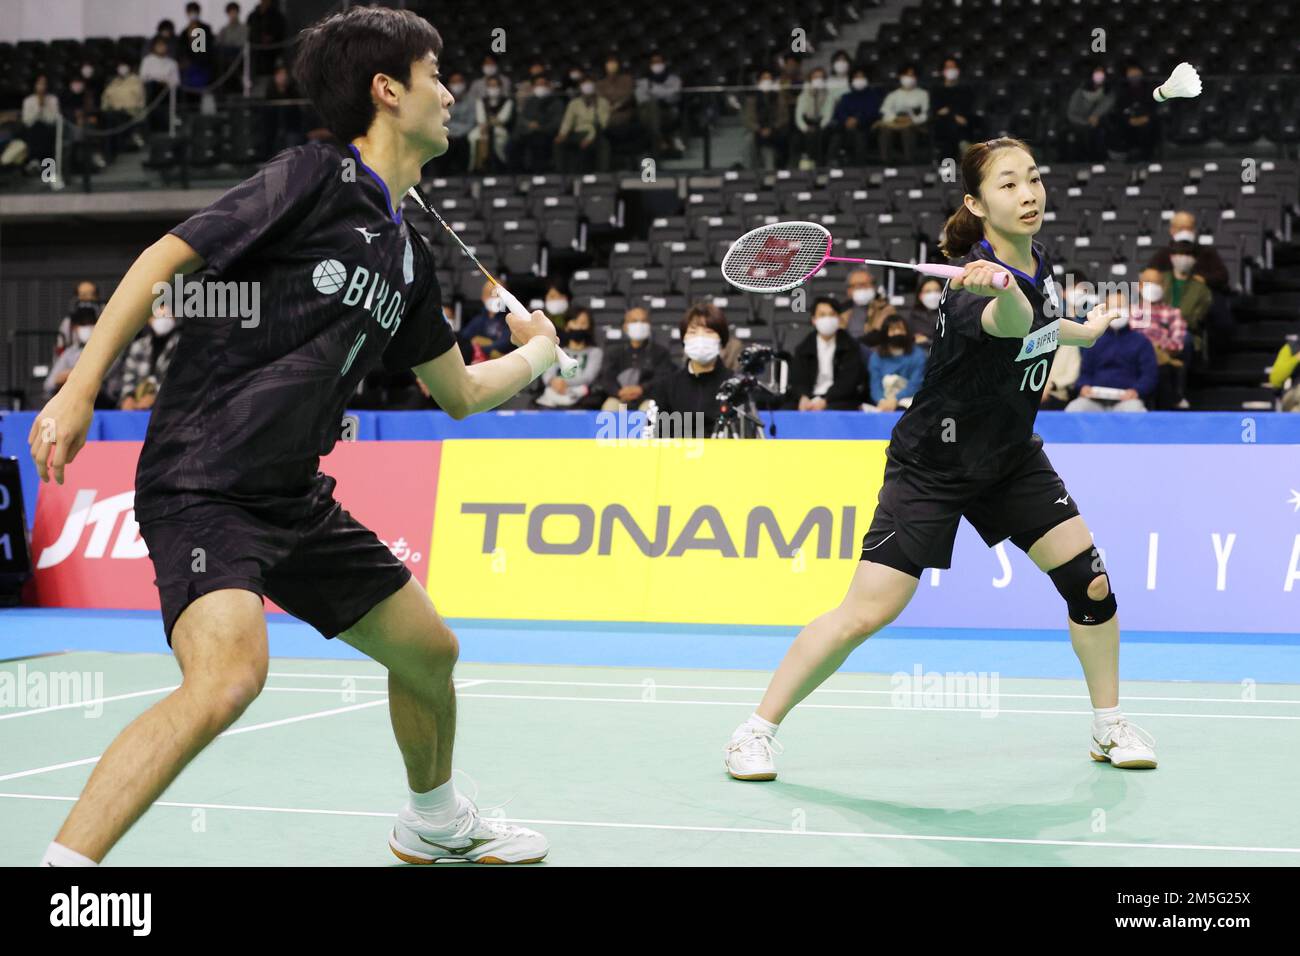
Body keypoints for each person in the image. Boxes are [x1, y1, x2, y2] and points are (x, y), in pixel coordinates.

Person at [29, 6, 553, 868]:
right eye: (437, 76)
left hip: (292, 495)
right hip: (207, 478)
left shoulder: (409, 253)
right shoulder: (313, 175)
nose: (453, 94)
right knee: (228, 678)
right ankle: (64, 879)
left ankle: (432, 821)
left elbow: (458, 391)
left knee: (428, 652)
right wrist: (79, 387)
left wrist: (534, 357)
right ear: (388, 90)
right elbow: (164, 259)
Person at [722, 137, 1157, 782]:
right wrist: (1007, 292)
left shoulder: (1036, 258)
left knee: (1090, 586)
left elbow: (1038, 318)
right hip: (934, 463)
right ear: (976, 203)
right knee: (867, 612)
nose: (1028, 193)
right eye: (1008, 185)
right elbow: (1013, 322)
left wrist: (1082, 330)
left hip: (1010, 456)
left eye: (1032, 179)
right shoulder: (968, 290)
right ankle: (753, 732)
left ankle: (1108, 724)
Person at [1064, 284, 1156, 412]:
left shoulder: (1142, 342)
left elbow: (1149, 375)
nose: (1116, 311)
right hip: (1094, 400)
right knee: (1074, 409)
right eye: (1111, 307)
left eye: (1120, 307)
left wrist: (1137, 391)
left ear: (1129, 309)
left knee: (1136, 412)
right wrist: (1083, 387)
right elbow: (1085, 372)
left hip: (1127, 400)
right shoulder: (1094, 339)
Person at [650, 303, 731, 437]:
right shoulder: (667, 385)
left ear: (721, 340)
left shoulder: (735, 385)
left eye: (708, 332)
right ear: (684, 340)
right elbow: (655, 432)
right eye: (693, 332)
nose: (700, 339)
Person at [786, 296, 866, 411]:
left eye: (831, 314)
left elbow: (849, 381)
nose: (827, 319)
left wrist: (826, 400)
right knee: (787, 409)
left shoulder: (850, 346)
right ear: (814, 320)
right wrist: (803, 397)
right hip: (809, 397)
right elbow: (797, 379)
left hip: (839, 399)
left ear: (838, 318)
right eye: (822, 315)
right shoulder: (804, 348)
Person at [597, 306, 668, 411]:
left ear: (649, 325)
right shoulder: (614, 353)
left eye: (643, 321)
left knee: (650, 408)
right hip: (619, 397)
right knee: (610, 407)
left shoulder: (661, 352)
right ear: (625, 326)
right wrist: (618, 392)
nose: (639, 325)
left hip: (648, 398)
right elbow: (606, 378)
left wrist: (641, 389)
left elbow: (662, 378)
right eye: (634, 321)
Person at [535, 307, 603, 408]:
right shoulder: (558, 350)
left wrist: (564, 383)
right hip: (554, 391)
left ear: (589, 327)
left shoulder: (595, 352)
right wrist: (553, 381)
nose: (579, 327)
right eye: (575, 322)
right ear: (567, 326)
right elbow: (548, 374)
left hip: (582, 397)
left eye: (583, 323)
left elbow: (588, 377)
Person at [866, 313, 926, 410]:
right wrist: (881, 400)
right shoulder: (876, 357)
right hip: (883, 402)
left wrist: (895, 399)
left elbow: (915, 383)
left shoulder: (918, 354)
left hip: (909, 399)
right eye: (893, 330)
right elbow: (875, 385)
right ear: (885, 333)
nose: (897, 332)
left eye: (901, 329)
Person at [827, 67, 883, 166]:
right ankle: (831, 164)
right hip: (846, 127)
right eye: (856, 77)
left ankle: (859, 168)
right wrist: (846, 120)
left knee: (859, 135)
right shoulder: (846, 97)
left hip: (866, 127)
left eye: (862, 77)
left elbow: (873, 113)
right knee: (837, 136)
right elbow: (839, 112)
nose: (859, 80)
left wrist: (858, 120)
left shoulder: (874, 96)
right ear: (851, 81)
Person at [876, 64, 928, 163]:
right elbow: (884, 111)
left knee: (907, 130)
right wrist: (896, 118)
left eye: (912, 75)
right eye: (906, 75)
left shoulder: (923, 94)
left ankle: (909, 162)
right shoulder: (893, 95)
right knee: (884, 130)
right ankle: (886, 162)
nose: (909, 78)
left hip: (914, 124)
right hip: (895, 123)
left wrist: (912, 119)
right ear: (900, 77)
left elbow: (925, 113)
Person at [742, 69, 791, 171]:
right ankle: (750, 171)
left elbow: (784, 117)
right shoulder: (752, 98)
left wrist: (772, 128)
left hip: (776, 130)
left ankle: (772, 170)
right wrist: (760, 129)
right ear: (759, 81)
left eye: (769, 78)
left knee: (771, 146)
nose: (767, 81)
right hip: (758, 130)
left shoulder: (779, 97)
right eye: (764, 78)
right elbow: (748, 119)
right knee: (749, 140)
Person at [929, 57, 975, 160]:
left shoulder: (966, 89)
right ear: (943, 71)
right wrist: (954, 116)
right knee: (949, 125)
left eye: (953, 67)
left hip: (963, 122)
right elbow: (937, 111)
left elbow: (966, 108)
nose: (951, 70)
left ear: (958, 70)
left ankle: (948, 161)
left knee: (958, 125)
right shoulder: (936, 90)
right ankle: (962, 144)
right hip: (943, 124)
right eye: (948, 67)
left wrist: (949, 111)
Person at [1066, 67, 1113, 162]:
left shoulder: (1109, 92)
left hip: (1099, 124)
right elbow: (1071, 114)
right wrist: (1086, 122)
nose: (1099, 77)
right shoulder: (1079, 92)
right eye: (1096, 74)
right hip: (1079, 125)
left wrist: (1095, 117)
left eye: (1101, 74)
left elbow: (1107, 106)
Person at [903, 277, 943, 352]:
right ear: (920, 296)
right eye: (928, 291)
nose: (933, 295)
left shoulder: (949, 315)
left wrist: (927, 341)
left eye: (937, 290)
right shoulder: (911, 316)